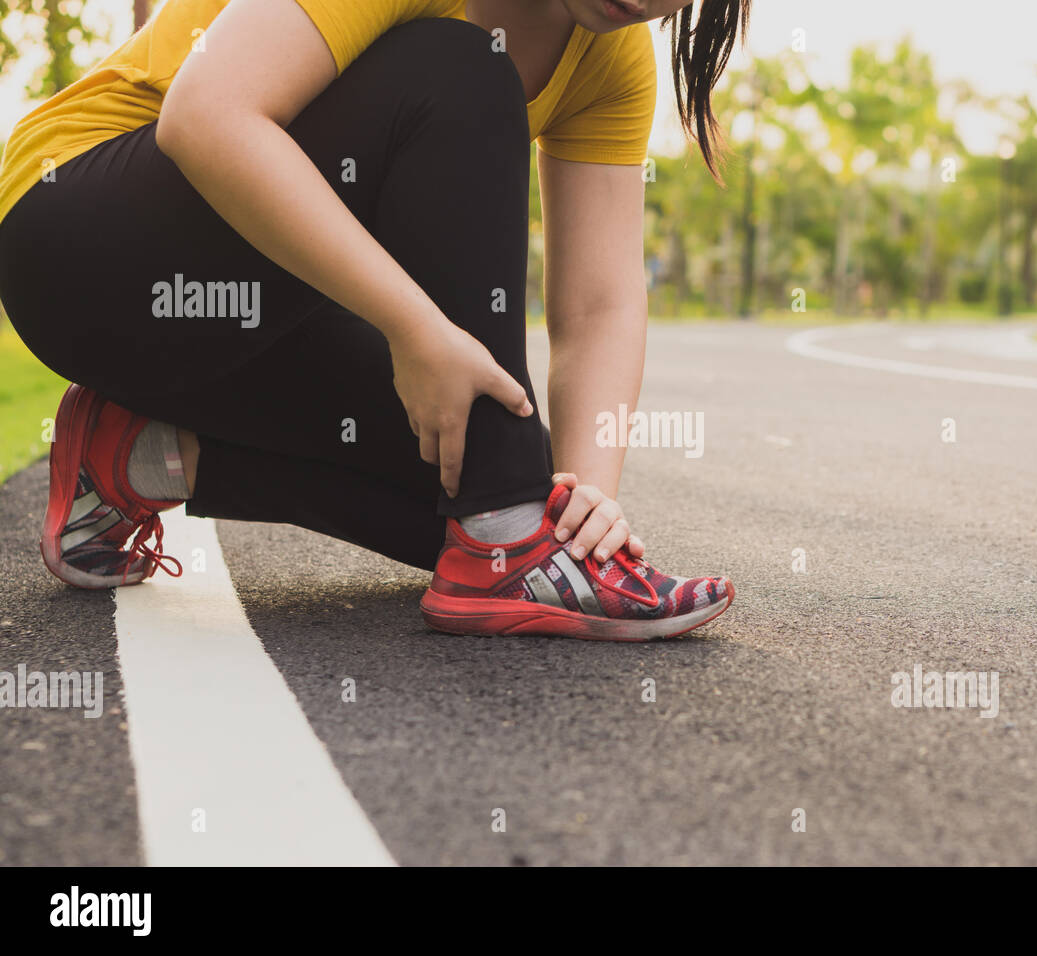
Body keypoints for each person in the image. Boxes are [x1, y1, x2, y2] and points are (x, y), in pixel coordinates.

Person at [0, 0, 749, 641]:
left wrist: (584, 513)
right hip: (74, 244)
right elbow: (206, 117)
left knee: (490, 488)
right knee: (461, 66)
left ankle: (140, 455)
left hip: (253, 315)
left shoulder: (611, 55)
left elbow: (599, 304)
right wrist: (413, 328)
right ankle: (510, 536)